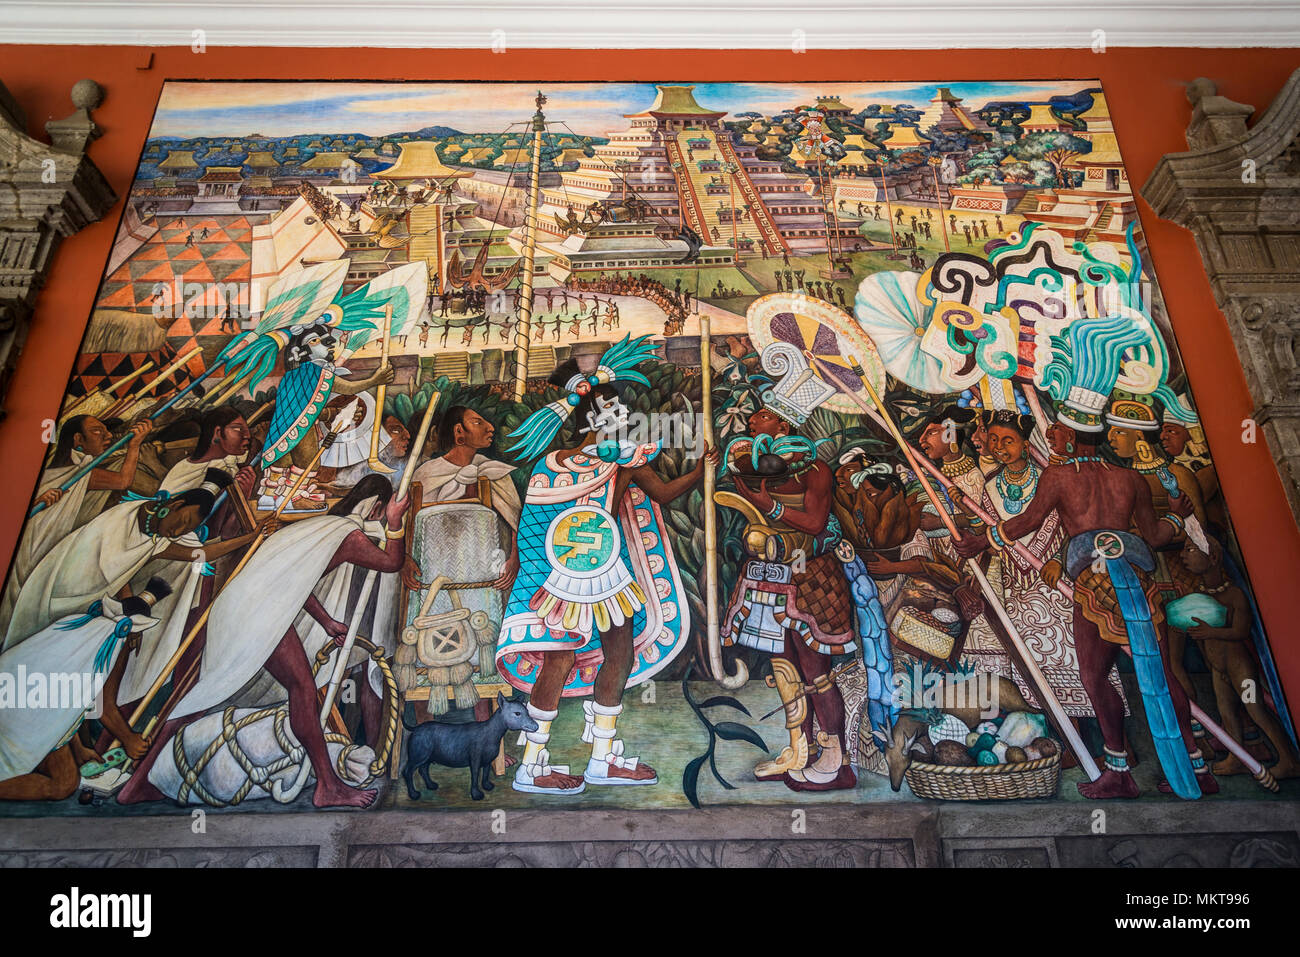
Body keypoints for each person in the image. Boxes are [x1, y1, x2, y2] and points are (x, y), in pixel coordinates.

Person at [955, 381, 1215, 800]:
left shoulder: (1059, 476)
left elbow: (1025, 523)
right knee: (1162, 675)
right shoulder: (1129, 478)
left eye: (1058, 431)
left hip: (1094, 586)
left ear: (1074, 436)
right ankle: (1196, 765)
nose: (1053, 436)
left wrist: (982, 540)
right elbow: (1153, 535)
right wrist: (1181, 520)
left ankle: (1118, 769)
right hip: (1136, 580)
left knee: (1095, 677)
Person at [494, 338, 715, 795]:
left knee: (595, 652)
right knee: (585, 655)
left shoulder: (549, 463)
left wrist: (700, 468)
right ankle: (544, 765)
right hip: (584, 573)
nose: (628, 422)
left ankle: (592, 757)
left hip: (571, 573)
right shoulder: (619, 462)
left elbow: (533, 529)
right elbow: (667, 494)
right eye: (621, 414)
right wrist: (700, 470)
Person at [118, 485, 414, 808]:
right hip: (259, 610)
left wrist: (326, 621)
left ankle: (137, 784)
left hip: (237, 606)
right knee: (301, 688)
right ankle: (327, 786)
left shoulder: (321, 529)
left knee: (203, 696)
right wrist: (397, 522)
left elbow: (294, 580)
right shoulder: (350, 535)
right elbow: (390, 562)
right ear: (375, 509)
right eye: (383, 514)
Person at [719, 407, 865, 792]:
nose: (753, 422)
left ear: (784, 424)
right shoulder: (748, 465)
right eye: (752, 418)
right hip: (769, 576)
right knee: (783, 665)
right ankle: (798, 749)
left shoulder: (814, 470)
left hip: (810, 575)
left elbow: (816, 523)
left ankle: (836, 760)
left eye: (763, 416)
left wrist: (769, 505)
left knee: (814, 668)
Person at [1, 415, 152, 626]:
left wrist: (135, 444)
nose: (108, 435)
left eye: (106, 431)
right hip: (28, 552)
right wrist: (39, 501)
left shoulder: (80, 474)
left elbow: (122, 481)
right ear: (77, 440)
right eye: (98, 431)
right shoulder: (60, 475)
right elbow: (123, 481)